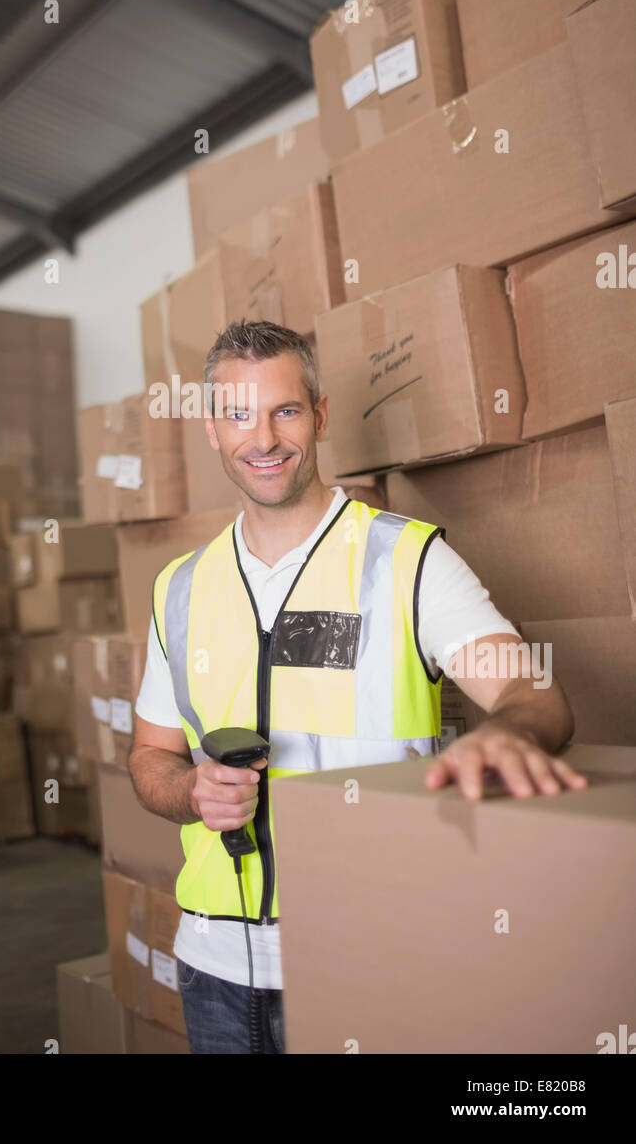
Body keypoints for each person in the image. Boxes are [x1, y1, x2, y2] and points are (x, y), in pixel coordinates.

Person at [128, 320, 586, 1055]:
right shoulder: (178, 590)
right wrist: (192, 794)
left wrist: (505, 734)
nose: (264, 439)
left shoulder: (406, 560)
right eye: (240, 415)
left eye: (285, 410)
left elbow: (535, 696)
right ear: (213, 429)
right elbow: (150, 757)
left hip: (374, 951)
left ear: (321, 414)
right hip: (215, 971)